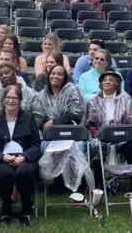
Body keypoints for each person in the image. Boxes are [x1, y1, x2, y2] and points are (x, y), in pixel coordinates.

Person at [30, 63, 91, 194]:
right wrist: (45, 124)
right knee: (47, 147)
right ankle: (57, 181)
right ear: (48, 76)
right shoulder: (41, 95)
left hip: (71, 132)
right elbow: (38, 116)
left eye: (59, 74)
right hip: (49, 135)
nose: (55, 76)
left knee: (74, 147)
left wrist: (53, 121)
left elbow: (76, 113)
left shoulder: (72, 90)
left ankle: (77, 181)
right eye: (53, 73)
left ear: (64, 77)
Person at [0, 84, 42, 226]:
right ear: (3, 99)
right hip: (2, 159)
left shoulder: (28, 118)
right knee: (4, 174)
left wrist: (24, 157)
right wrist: (2, 157)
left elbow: (36, 145)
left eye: (14, 98)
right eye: (8, 97)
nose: (11, 100)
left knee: (24, 172)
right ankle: (6, 209)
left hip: (24, 158)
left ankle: (26, 209)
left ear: (20, 100)